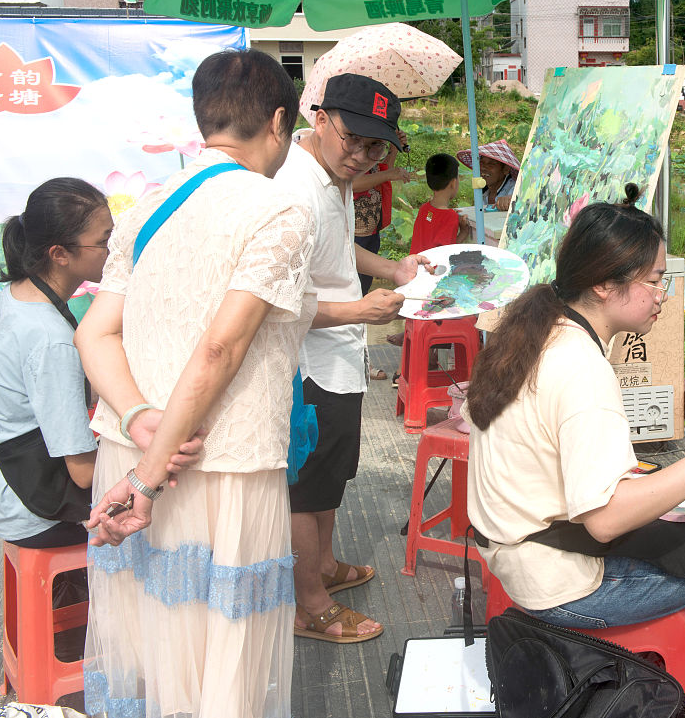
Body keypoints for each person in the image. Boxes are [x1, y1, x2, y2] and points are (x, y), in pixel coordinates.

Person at [465, 188, 685, 718]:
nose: (663, 293)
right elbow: (605, 522)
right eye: (655, 280)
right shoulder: (580, 368)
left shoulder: (534, 329)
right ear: (604, 284)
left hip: (514, 551)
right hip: (561, 583)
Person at [76, 48, 316, 718]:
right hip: (219, 465)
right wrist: (149, 481)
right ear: (279, 122)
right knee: (225, 661)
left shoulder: (147, 206)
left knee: (151, 643)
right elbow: (221, 346)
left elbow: (93, 333)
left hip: (135, 451)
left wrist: (139, 419)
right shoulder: (280, 210)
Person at [278, 72, 430, 643]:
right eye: (353, 141)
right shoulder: (293, 190)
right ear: (319, 120)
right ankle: (309, 604)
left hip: (339, 357)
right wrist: (360, 311)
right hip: (306, 365)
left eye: (375, 148)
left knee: (330, 476)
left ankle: (322, 565)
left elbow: (341, 252)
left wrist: (392, 269)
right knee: (304, 486)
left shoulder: (332, 175)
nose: (362, 157)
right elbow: (278, 303)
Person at [0, 179, 111, 606]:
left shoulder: (15, 296)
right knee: (164, 507)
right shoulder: (50, 339)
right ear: (60, 253)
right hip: (33, 505)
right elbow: (83, 473)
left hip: (5, 482)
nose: (113, 249)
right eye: (104, 241)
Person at [351, 133, 412, 295]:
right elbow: (352, 183)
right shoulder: (355, 149)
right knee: (352, 285)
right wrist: (388, 174)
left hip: (371, 231)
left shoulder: (373, 147)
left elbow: (383, 170)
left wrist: (393, 148)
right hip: (354, 233)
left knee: (364, 284)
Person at [410, 153, 466, 255]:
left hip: (415, 262)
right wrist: (463, 232)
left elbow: (433, 219)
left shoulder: (424, 209)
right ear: (453, 183)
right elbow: (446, 252)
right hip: (432, 265)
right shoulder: (450, 216)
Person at [456, 139, 520, 211]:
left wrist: (512, 200)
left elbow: (522, 200)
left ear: (506, 169)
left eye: (491, 164)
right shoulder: (482, 191)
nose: (483, 167)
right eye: (481, 163)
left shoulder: (515, 189)